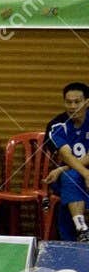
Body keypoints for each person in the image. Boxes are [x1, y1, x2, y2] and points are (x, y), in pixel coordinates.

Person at [45, 81, 89, 242]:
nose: (72, 106)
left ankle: (78, 233)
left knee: (71, 177)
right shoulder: (57, 125)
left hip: (68, 175)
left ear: (87, 102)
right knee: (72, 178)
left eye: (77, 102)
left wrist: (60, 169)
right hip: (66, 180)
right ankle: (82, 229)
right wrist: (85, 173)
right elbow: (66, 155)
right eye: (68, 102)